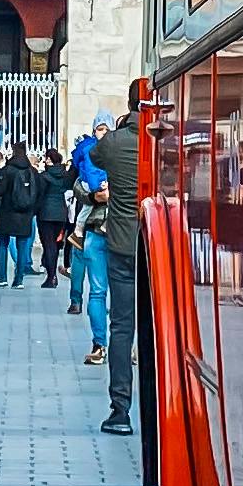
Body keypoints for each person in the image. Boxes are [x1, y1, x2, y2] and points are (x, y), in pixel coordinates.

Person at [94, 77, 146, 432]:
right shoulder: (162, 138)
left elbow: (94, 154)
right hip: (155, 245)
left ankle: (120, 409)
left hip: (121, 242)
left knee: (122, 327)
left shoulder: (113, 141)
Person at [68, 160, 111, 363]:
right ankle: (126, 345)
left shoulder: (97, 153)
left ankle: (99, 345)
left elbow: (78, 185)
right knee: (125, 294)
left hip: (95, 231)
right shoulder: (133, 156)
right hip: (123, 230)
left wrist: (94, 196)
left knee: (97, 291)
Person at [0, 139, 36, 288]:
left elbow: (0, 190)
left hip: (7, 212)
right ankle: (19, 279)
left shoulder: (7, 170)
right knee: (22, 245)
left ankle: (2, 276)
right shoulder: (32, 171)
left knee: (3, 243)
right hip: (25, 214)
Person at [33, 143, 73, 285]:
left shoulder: (44, 176)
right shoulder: (65, 175)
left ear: (49, 159)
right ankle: (52, 275)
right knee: (55, 245)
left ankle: (51, 277)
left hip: (45, 213)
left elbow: (38, 195)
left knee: (48, 244)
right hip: (61, 212)